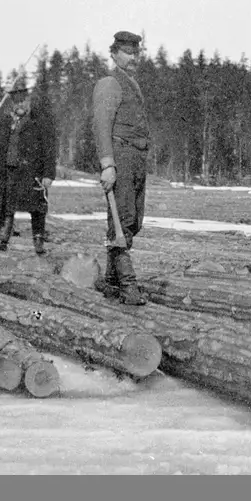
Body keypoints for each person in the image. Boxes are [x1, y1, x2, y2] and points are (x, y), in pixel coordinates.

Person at [91, 30, 151, 306]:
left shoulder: (134, 85)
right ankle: (128, 287)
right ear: (114, 53)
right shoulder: (109, 83)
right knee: (122, 221)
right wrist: (107, 165)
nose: (132, 57)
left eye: (135, 52)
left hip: (136, 159)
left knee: (133, 220)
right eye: (127, 52)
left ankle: (111, 281)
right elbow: (102, 126)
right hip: (121, 157)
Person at [0, 75, 56, 255]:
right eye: (16, 102)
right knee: (5, 206)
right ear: (11, 104)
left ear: (29, 101)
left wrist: (48, 174)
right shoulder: (5, 122)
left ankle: (38, 243)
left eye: (23, 101)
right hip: (6, 171)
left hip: (32, 173)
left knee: (37, 208)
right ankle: (1, 239)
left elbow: (49, 150)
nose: (20, 105)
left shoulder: (39, 122)